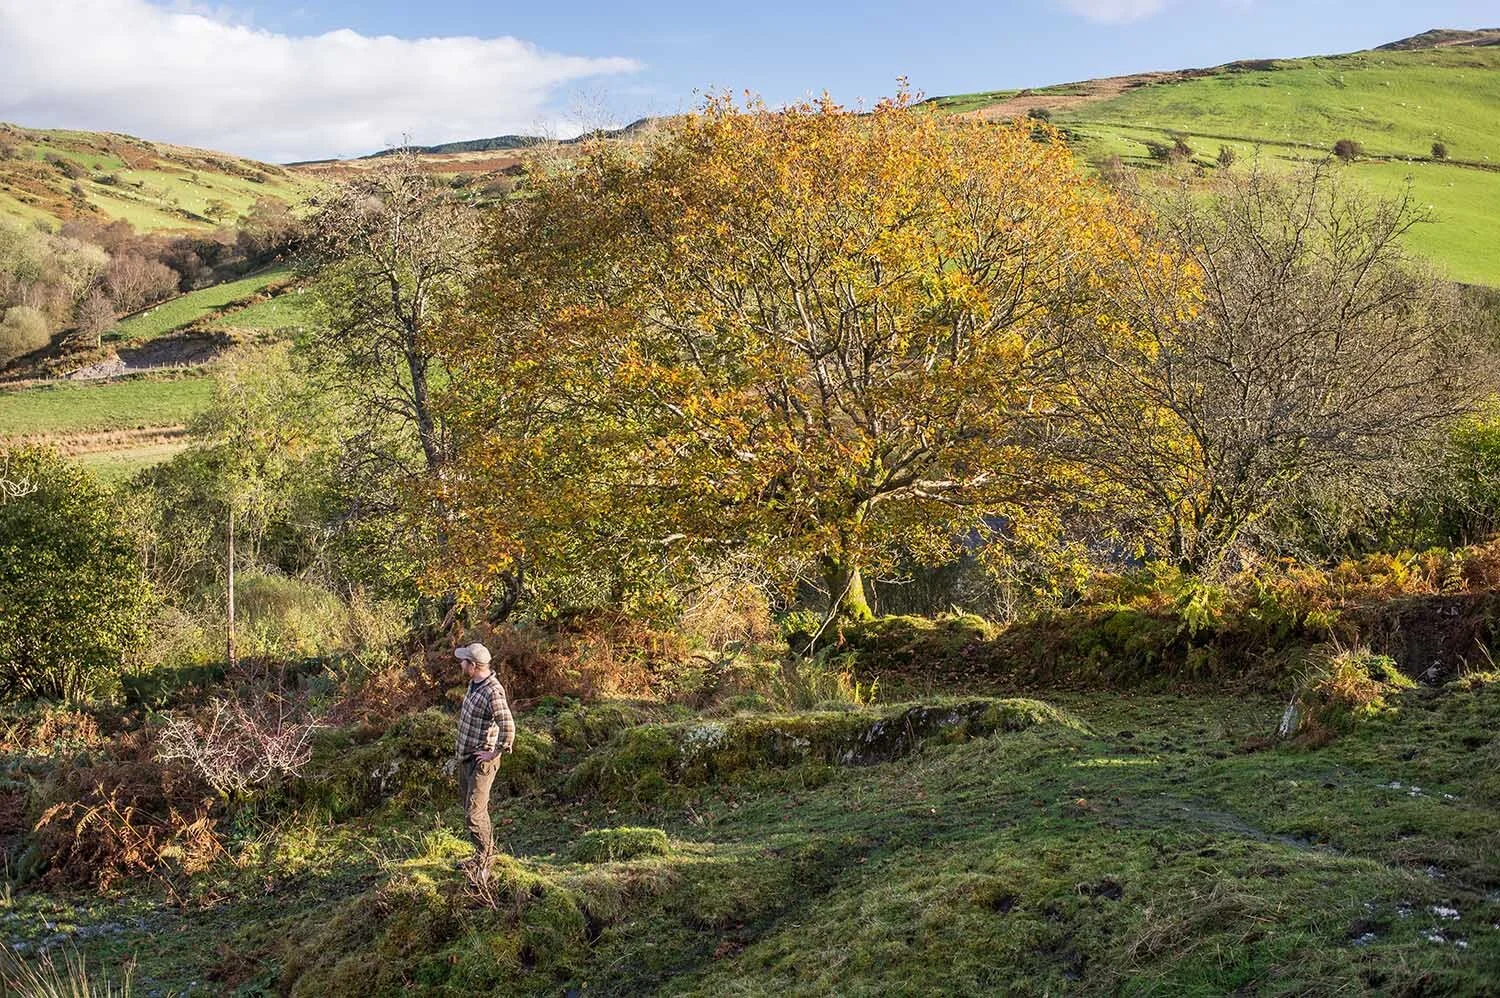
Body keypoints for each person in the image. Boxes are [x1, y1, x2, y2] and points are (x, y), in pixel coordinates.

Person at [452, 641, 514, 876]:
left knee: (474, 814)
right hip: (467, 758)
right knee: (470, 809)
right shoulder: (474, 684)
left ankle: (486, 862)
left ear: (474, 665)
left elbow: (507, 725)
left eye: (464, 661)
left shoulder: (492, 691)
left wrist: (495, 751)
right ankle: (480, 855)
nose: (460, 663)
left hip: (482, 763)